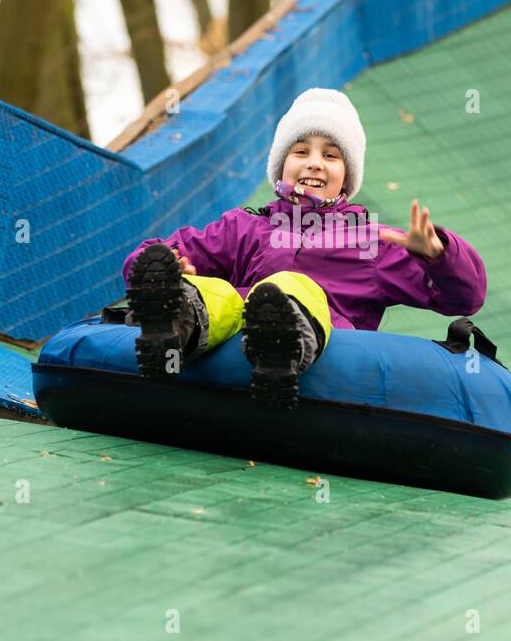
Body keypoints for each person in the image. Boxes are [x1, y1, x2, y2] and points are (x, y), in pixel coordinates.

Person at [120, 87, 487, 408]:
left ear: (347, 176)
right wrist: (168, 265)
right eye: (300, 151)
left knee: (291, 287)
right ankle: (173, 323)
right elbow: (165, 252)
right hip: (237, 329)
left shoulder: (369, 243)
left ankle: (281, 347)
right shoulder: (245, 227)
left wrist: (438, 255)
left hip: (323, 354)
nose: (314, 162)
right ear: (281, 165)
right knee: (218, 294)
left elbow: (464, 297)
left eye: (331, 155)